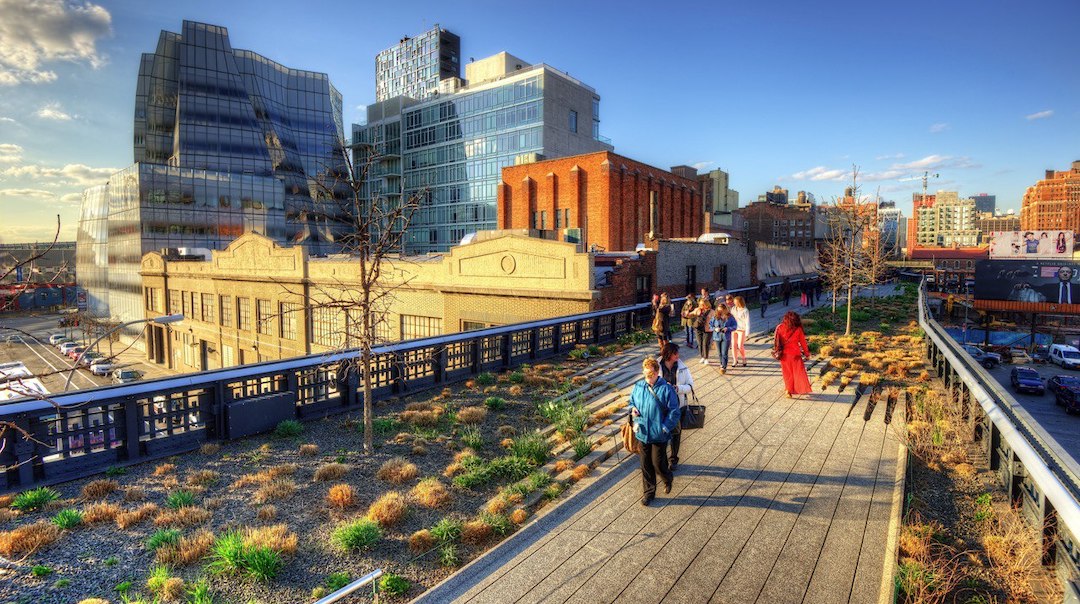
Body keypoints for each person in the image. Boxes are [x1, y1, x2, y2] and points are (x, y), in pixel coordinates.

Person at [628, 357, 680, 506]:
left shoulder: (666, 389)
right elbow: (632, 402)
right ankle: (649, 493)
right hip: (643, 430)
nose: (648, 378)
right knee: (645, 464)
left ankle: (667, 477)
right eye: (645, 374)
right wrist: (633, 409)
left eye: (650, 374)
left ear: (657, 372)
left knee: (658, 463)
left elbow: (674, 412)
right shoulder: (638, 386)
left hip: (659, 433)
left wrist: (664, 427)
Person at [659, 343, 695, 472]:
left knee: (676, 433)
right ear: (668, 354)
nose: (678, 356)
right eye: (675, 354)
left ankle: (673, 458)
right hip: (660, 406)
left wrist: (678, 388)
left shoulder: (682, 367)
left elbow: (691, 386)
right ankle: (661, 458)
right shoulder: (657, 367)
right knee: (661, 433)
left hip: (677, 406)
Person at [774, 311, 812, 397]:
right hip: (795, 355)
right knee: (798, 372)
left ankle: (788, 390)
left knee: (787, 373)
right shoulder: (798, 329)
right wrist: (807, 354)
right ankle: (800, 388)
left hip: (784, 355)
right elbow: (803, 343)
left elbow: (777, 341)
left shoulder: (780, 327)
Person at [712, 303, 738, 374]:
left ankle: (723, 366)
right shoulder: (715, 317)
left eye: (722, 310)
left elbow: (735, 326)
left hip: (726, 337)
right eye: (719, 310)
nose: (720, 312)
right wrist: (715, 329)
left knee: (724, 353)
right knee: (719, 353)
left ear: (725, 310)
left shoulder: (730, 317)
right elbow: (710, 325)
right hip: (717, 337)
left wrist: (728, 328)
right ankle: (721, 364)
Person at [692, 297, 714, 364]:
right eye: (700, 304)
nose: (701, 306)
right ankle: (702, 357)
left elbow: (714, 320)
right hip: (698, 328)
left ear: (706, 304)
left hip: (708, 329)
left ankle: (706, 357)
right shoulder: (698, 310)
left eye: (702, 304)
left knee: (705, 344)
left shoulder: (711, 311)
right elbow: (691, 314)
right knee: (700, 343)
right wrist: (686, 314)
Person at [731, 296, 750, 367]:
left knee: (740, 345)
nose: (734, 303)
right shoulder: (733, 309)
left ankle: (744, 358)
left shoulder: (745, 310)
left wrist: (747, 333)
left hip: (742, 329)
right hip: (733, 328)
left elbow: (747, 322)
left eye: (736, 302)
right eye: (734, 302)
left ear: (740, 302)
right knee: (733, 345)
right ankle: (735, 360)